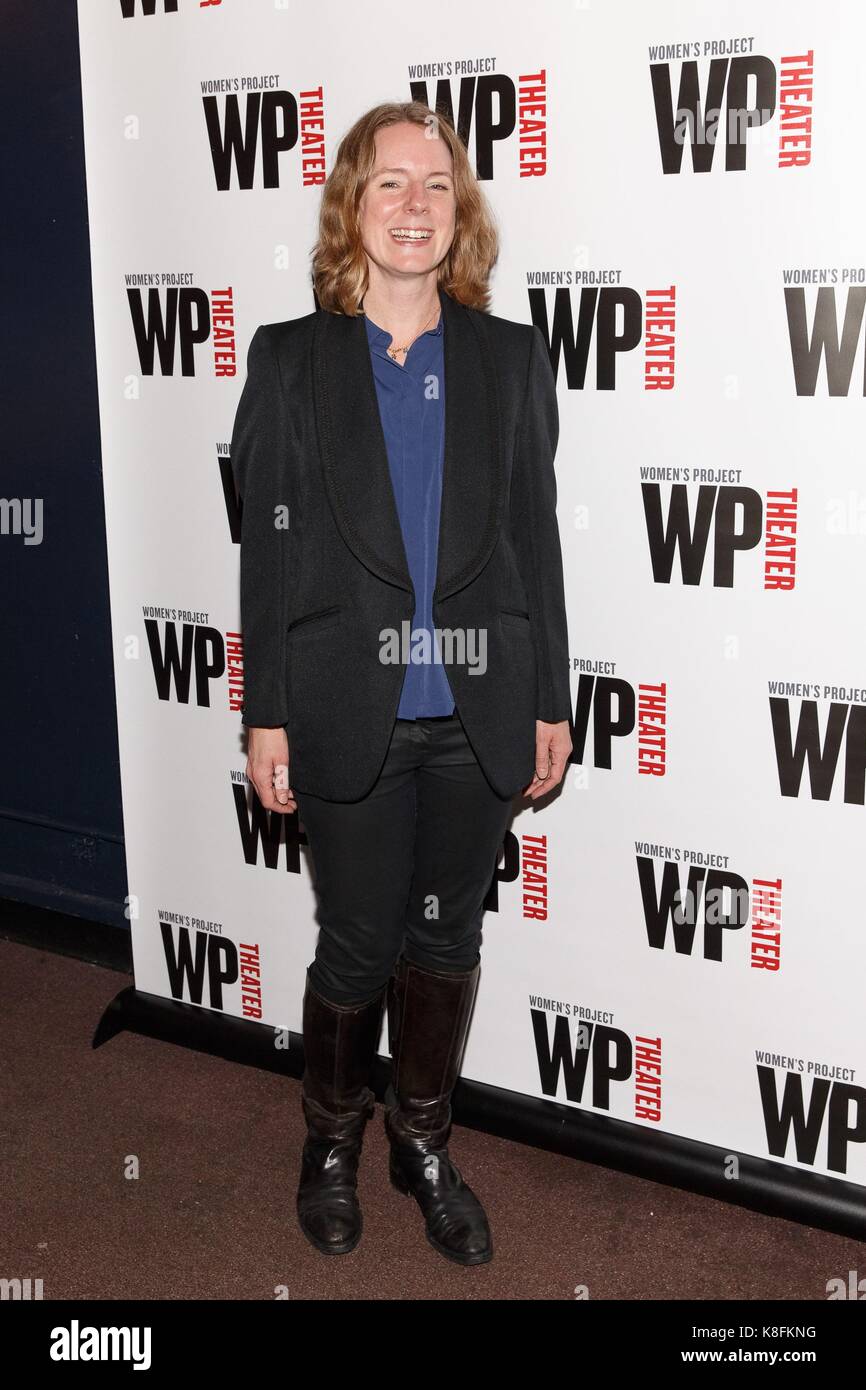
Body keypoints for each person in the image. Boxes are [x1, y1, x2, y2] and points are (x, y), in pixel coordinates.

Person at [230, 100, 572, 1267]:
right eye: (388, 183)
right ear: (351, 207)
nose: (414, 204)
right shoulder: (289, 359)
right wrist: (263, 709)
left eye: (436, 184)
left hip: (474, 711)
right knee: (357, 945)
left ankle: (420, 1141)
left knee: (445, 947)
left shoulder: (509, 356)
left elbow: (536, 535)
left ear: (460, 211)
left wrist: (549, 696)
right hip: (344, 710)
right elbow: (267, 549)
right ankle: (329, 1141)